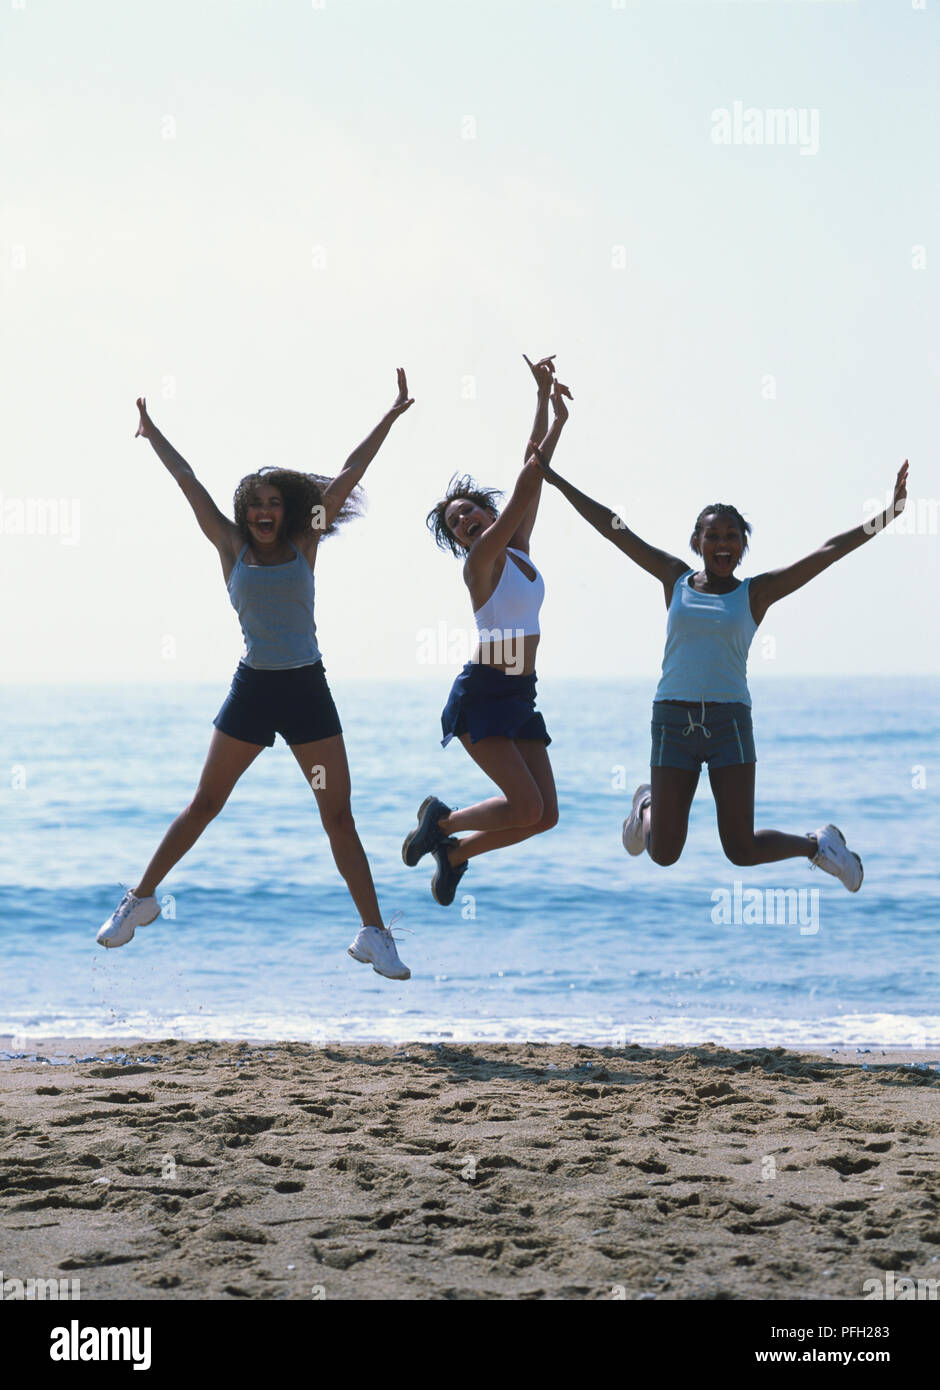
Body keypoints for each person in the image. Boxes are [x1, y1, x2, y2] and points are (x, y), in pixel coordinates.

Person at [97, 371, 414, 980]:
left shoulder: (306, 539)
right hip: (253, 692)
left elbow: (350, 472)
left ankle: (374, 934)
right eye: (256, 504)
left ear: (286, 510)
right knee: (206, 801)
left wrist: (392, 415)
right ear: (243, 511)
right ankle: (140, 900)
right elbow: (188, 482)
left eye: (274, 503)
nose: (266, 512)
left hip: (305, 694)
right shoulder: (229, 544)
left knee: (338, 815)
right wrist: (151, 431)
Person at [534, 453, 909, 889]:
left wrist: (888, 515)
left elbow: (826, 552)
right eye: (713, 535)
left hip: (729, 721)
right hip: (673, 719)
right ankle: (646, 808)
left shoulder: (757, 592)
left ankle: (818, 846)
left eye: (732, 535)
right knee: (664, 854)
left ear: (743, 545)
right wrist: (557, 480)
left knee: (741, 850)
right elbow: (616, 528)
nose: (723, 542)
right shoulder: (674, 578)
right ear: (698, 542)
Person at [402, 356, 571, 904]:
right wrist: (562, 426)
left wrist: (543, 400)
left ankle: (453, 854)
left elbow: (528, 473)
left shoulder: (517, 551)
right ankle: (441, 821)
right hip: (484, 694)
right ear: (457, 539)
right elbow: (529, 481)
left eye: (469, 511)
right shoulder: (478, 565)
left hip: (520, 692)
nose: (464, 521)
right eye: (455, 522)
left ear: (486, 510)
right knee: (524, 806)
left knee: (544, 815)